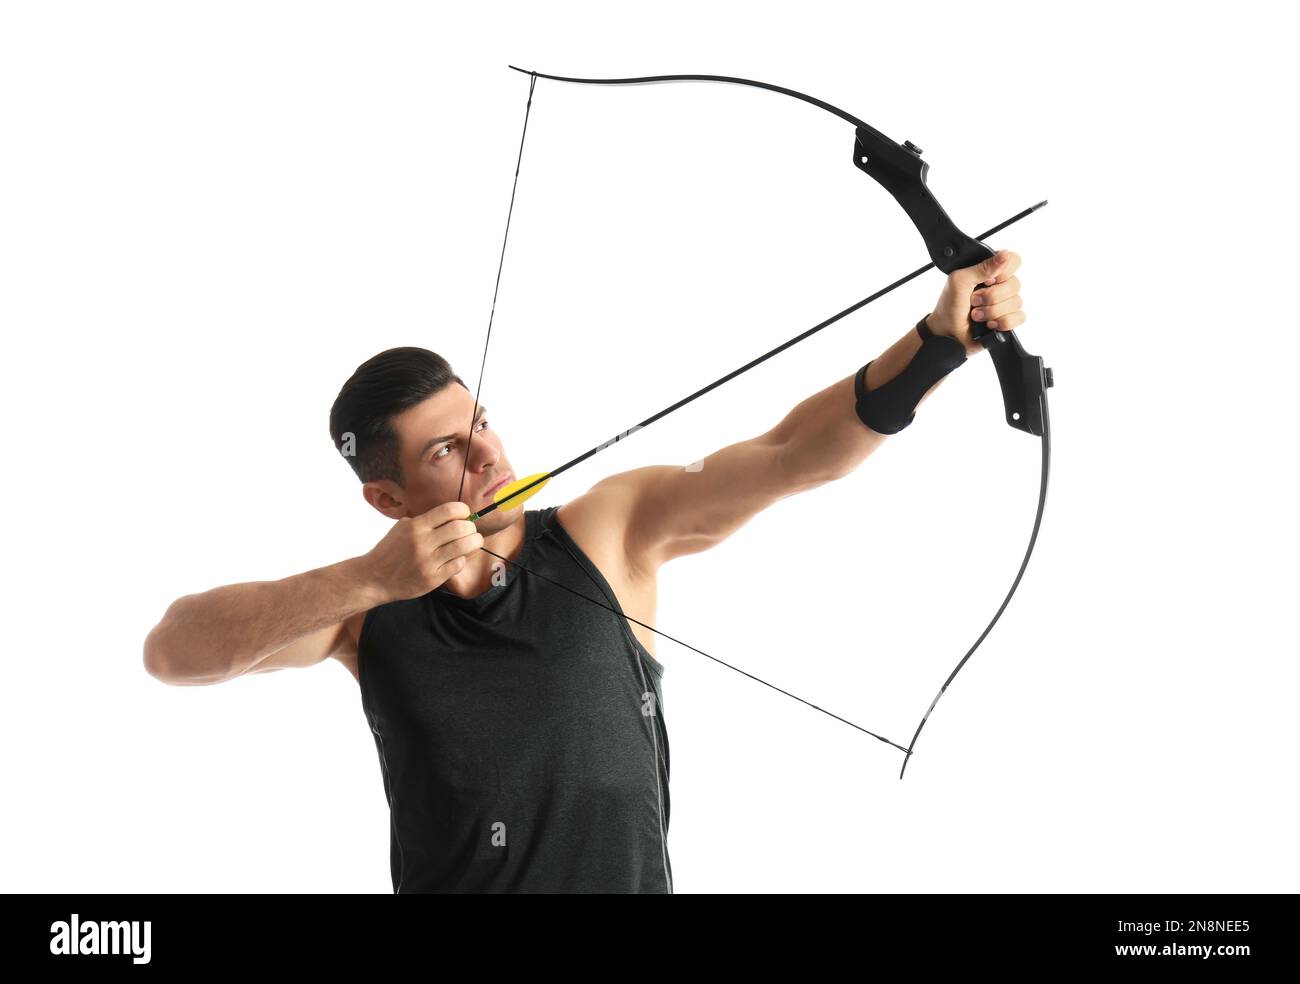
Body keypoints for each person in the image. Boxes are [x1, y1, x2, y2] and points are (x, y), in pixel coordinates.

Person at [142, 250, 1028, 893]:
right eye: (449, 449)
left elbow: (792, 453)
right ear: (388, 500)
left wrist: (938, 347)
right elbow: (173, 651)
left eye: (482, 420)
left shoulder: (606, 532)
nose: (489, 452)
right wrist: (370, 582)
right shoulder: (364, 611)